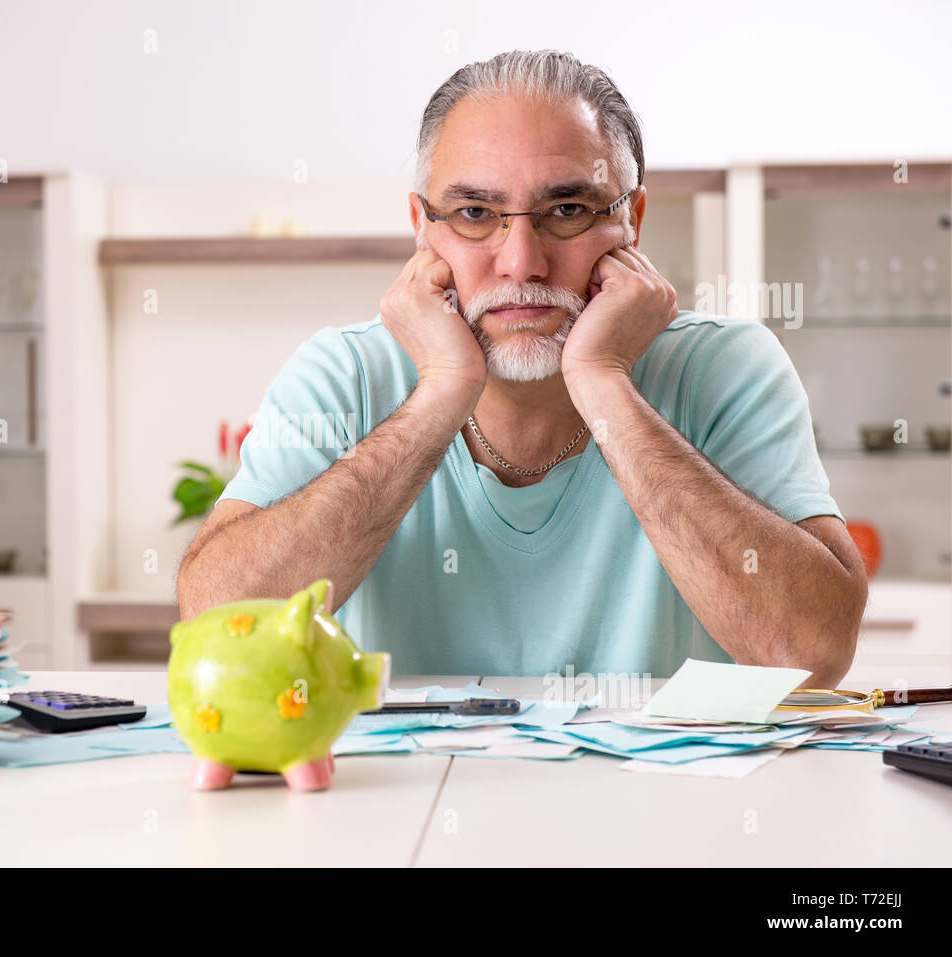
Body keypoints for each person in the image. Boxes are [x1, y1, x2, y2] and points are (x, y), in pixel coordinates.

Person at [177, 49, 866, 687]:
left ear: (633, 220)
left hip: (664, 811)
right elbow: (215, 623)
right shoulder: (342, 375)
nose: (521, 262)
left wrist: (604, 381)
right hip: (394, 810)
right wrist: (440, 395)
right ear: (423, 226)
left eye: (566, 209)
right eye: (475, 212)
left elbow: (810, 655)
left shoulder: (726, 369)